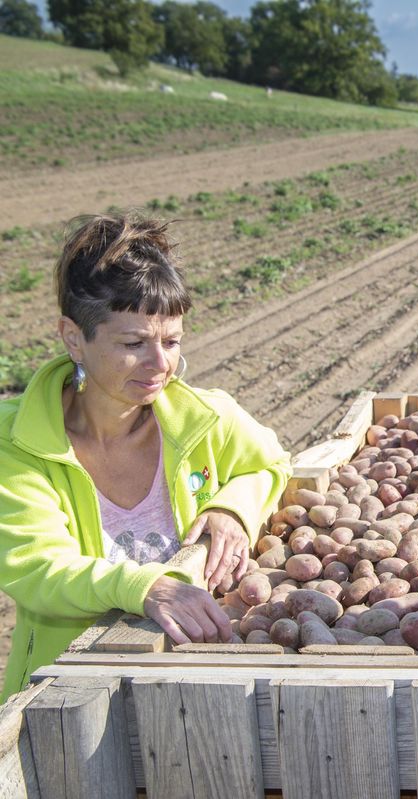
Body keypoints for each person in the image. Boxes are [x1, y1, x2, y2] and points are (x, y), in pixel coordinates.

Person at [0, 213, 291, 700]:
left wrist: (231, 509)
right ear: (73, 337)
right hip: (68, 695)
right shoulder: (16, 441)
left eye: (172, 341)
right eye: (134, 343)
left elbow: (271, 463)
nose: (161, 365)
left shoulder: (205, 417)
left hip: (197, 689)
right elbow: (38, 567)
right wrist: (147, 587)